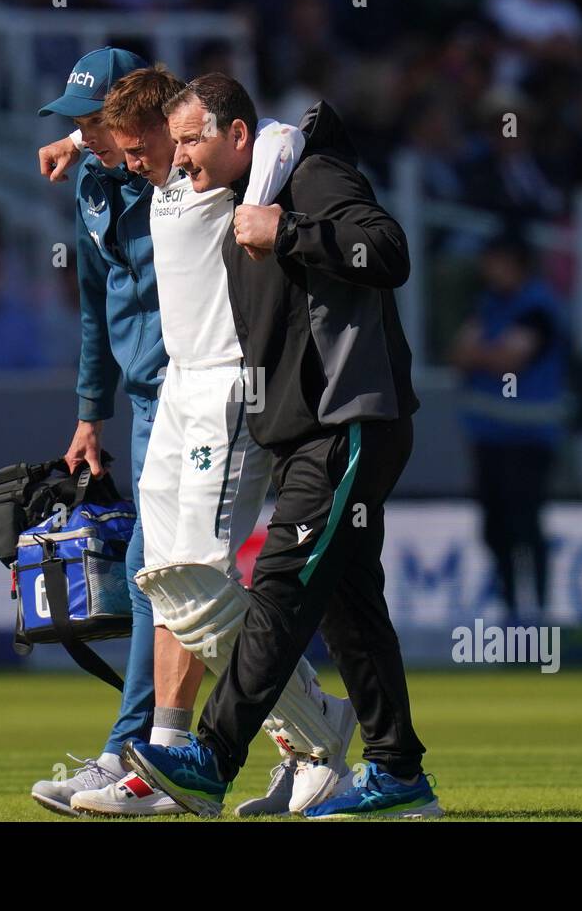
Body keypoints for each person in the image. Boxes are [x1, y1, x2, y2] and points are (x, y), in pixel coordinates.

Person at [122, 75, 439, 820]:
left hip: (348, 421)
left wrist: (290, 232)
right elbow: (125, 134)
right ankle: (398, 775)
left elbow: (388, 250)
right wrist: (79, 141)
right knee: (350, 608)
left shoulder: (312, 177)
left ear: (238, 137)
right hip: (312, 430)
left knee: (283, 586)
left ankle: (211, 757)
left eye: (193, 140)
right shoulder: (241, 196)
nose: (180, 156)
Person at [56, 65, 354, 818]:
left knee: (202, 578)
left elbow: (280, 133)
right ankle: (241, 740)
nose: (135, 161)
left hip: (228, 386)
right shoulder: (154, 170)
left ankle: (310, 737)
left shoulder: (222, 173)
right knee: (164, 579)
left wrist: (249, 173)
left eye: (142, 146)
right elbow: (128, 140)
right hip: (176, 386)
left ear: (179, 130)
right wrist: (74, 138)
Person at [26, 46, 167, 815]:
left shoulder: (178, 174)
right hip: (145, 401)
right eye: (77, 122)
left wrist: (86, 142)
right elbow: (94, 302)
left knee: (165, 572)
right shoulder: (93, 184)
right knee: (183, 580)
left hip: (204, 390)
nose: (85, 134)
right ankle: (310, 732)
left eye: (95, 121)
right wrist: (90, 410)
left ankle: (134, 751)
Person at [451, 229, 567, 623]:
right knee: (495, 527)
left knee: (524, 523)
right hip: (488, 437)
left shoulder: (538, 308)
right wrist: (488, 354)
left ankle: (536, 610)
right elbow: (461, 355)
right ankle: (511, 609)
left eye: (496, 261)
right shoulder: (486, 304)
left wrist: (483, 354)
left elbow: (507, 361)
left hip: (529, 438)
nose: (488, 270)